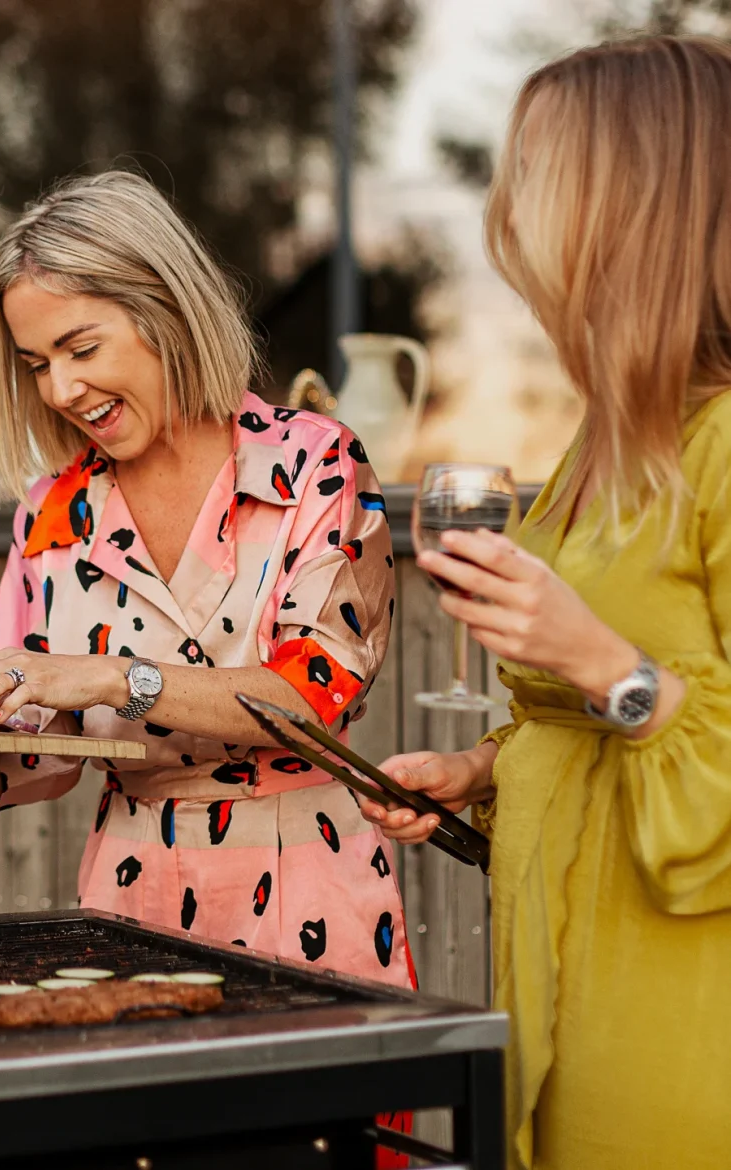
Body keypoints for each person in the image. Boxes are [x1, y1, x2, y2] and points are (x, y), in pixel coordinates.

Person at [0, 171, 413, 986]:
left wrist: (110, 677)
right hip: (127, 904)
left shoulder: (313, 464)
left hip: (307, 892)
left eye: (82, 348)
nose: (62, 389)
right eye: (37, 362)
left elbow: (312, 697)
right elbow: (27, 756)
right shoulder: (53, 512)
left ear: (166, 312)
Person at [357, 34, 731, 1170]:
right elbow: (591, 712)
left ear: (637, 209)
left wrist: (605, 666)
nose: (509, 210)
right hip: (565, 998)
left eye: (540, 176)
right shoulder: (604, 453)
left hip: (682, 1028)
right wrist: (481, 773)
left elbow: (637, 687)